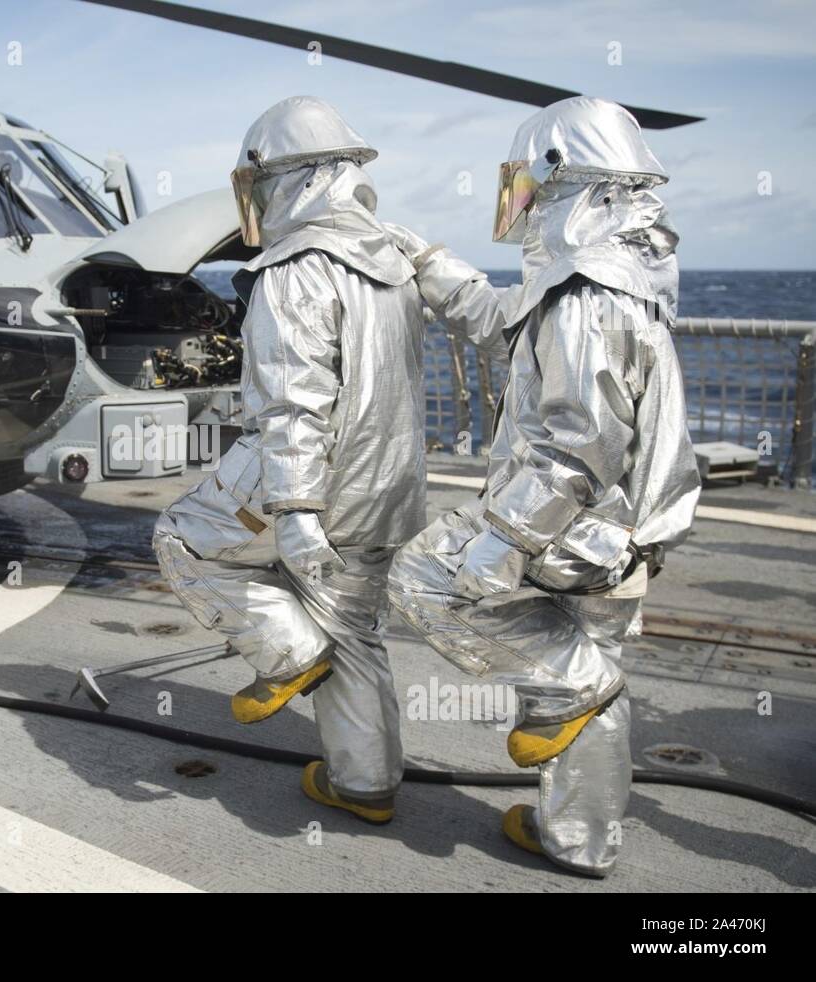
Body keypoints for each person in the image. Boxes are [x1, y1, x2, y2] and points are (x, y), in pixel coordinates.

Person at [152, 96, 503, 823]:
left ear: (291, 180)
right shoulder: (398, 260)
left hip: (314, 487)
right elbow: (491, 329)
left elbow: (293, 406)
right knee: (354, 631)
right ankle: (364, 783)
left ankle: (285, 654)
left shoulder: (291, 271)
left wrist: (294, 512)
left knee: (183, 540)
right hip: (391, 490)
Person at [388, 96, 701, 876]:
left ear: (566, 180)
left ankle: (576, 691)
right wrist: (430, 264)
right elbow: (504, 321)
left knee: (424, 577)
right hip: (628, 534)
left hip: (576, 525)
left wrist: (506, 538)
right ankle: (580, 840)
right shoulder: (622, 277)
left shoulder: (585, 293)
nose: (520, 200)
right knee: (584, 650)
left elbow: (577, 442)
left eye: (529, 182)